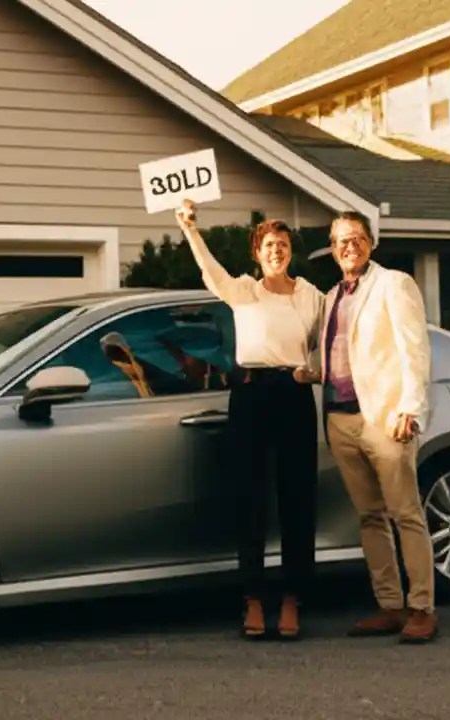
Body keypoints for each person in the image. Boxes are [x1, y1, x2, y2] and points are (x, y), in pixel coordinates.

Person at [174, 199, 323, 640]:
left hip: (294, 396)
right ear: (256, 254)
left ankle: (293, 600)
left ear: (289, 250)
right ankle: (254, 601)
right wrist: (190, 229)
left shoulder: (310, 295)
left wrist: (314, 371)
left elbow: (328, 345)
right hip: (252, 395)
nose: (275, 251)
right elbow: (210, 272)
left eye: (281, 244)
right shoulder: (244, 291)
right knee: (251, 500)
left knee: (297, 501)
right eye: (267, 245)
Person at [318, 210, 438, 644]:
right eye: (340, 241)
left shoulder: (394, 284)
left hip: (385, 418)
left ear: (371, 242)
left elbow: (414, 350)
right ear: (332, 249)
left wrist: (411, 407)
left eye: (356, 238)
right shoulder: (332, 296)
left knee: (406, 513)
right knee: (369, 517)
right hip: (340, 419)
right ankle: (390, 605)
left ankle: (422, 607)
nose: (348, 246)